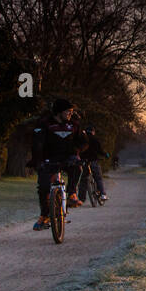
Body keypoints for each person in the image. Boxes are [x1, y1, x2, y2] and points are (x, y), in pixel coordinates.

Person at [28, 98, 87, 229]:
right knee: (43, 187)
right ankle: (44, 216)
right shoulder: (44, 124)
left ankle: (72, 193)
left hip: (68, 158)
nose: (70, 114)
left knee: (77, 167)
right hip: (49, 159)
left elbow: (83, 142)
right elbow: (37, 144)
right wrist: (38, 161)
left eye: (72, 111)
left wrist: (76, 152)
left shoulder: (74, 125)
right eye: (68, 111)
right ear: (59, 112)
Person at [81, 125, 109, 201]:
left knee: (83, 179)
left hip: (83, 161)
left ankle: (81, 198)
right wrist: (105, 155)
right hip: (93, 161)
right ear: (93, 132)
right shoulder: (95, 140)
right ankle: (103, 194)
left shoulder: (82, 139)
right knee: (98, 178)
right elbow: (100, 150)